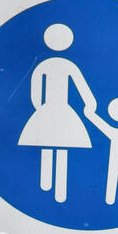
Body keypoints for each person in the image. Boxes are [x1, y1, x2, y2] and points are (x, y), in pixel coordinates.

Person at [18, 23, 96, 203]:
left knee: (52, 143)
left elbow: (35, 94)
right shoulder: (66, 65)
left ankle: (51, 186)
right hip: (59, 110)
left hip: (49, 109)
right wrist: (90, 104)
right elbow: (84, 89)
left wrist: (41, 109)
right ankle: (54, 189)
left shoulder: (45, 65)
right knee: (60, 145)